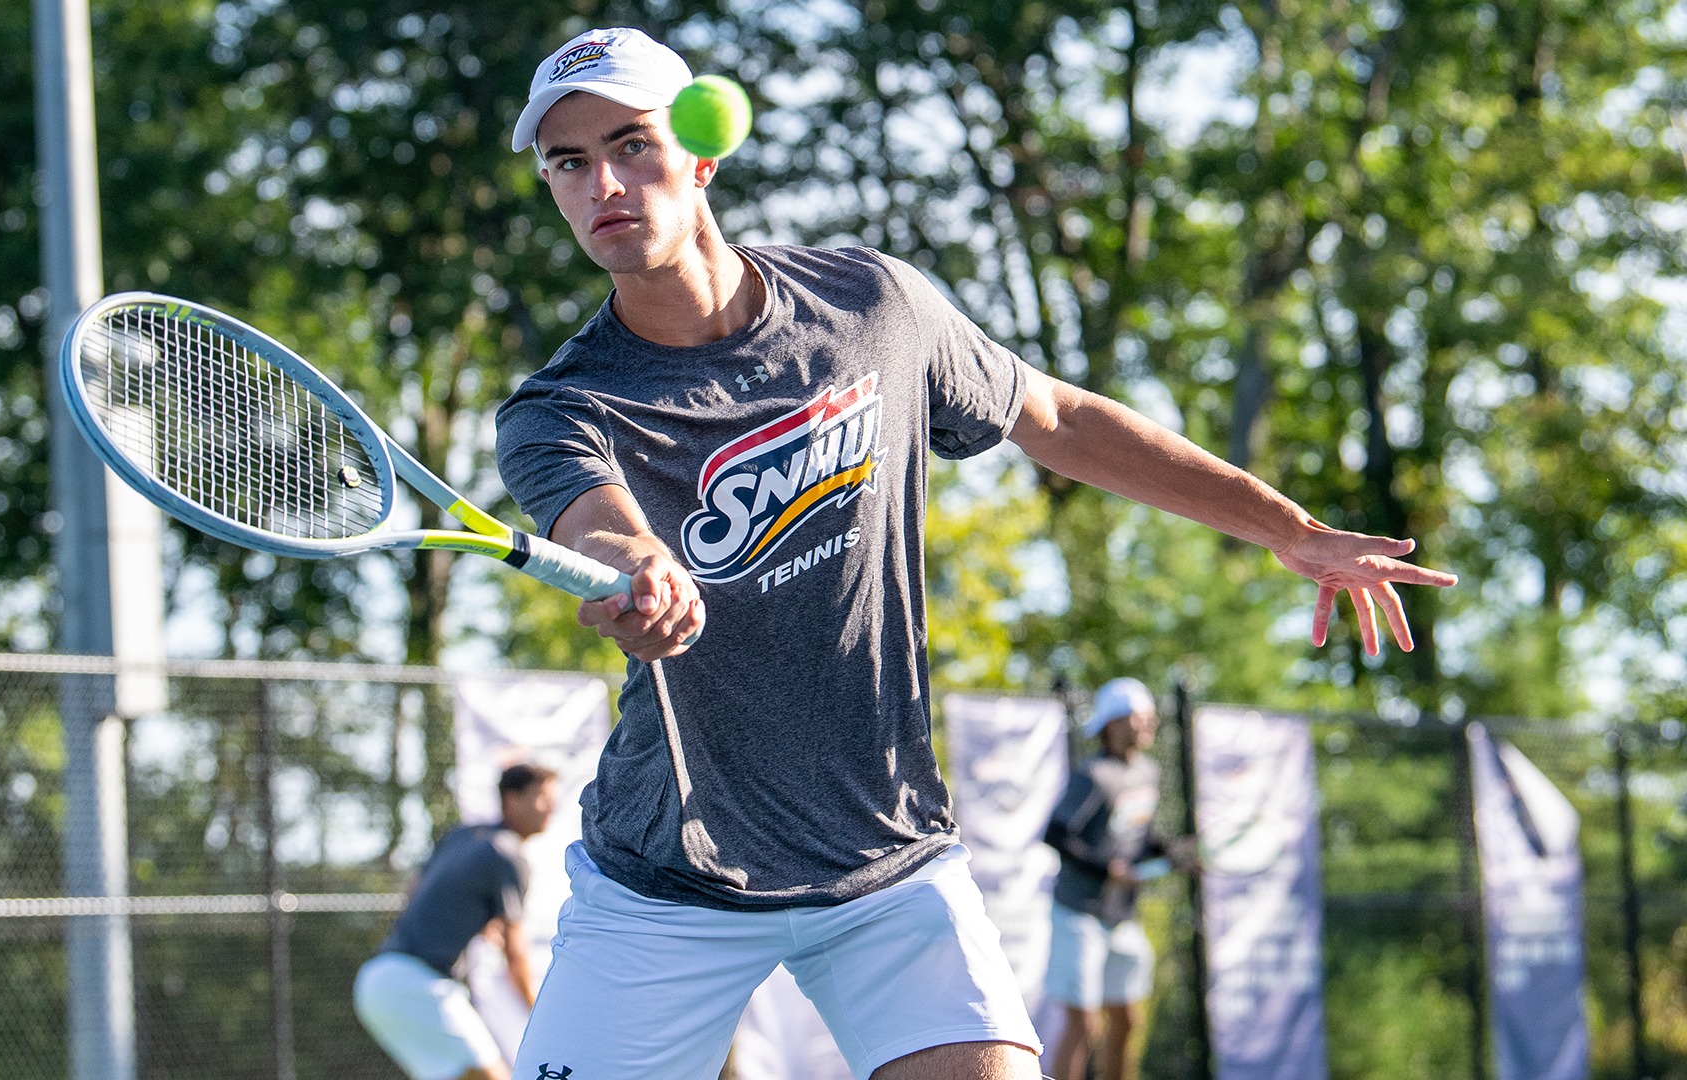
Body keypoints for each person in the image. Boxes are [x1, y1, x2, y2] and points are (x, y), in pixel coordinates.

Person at [492, 26, 1457, 1080]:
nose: (604, 185)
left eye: (630, 145)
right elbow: (599, 522)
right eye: (568, 163)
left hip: (888, 865)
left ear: (701, 152)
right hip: (666, 887)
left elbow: (1056, 416)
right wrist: (640, 566)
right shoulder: (560, 406)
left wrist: (1293, 530)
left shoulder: (873, 307)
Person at [353, 763, 559, 1080]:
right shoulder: (508, 856)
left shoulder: (462, 836)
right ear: (511, 800)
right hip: (417, 983)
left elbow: (417, 889)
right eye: (541, 797)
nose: (551, 807)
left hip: (376, 980)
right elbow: (515, 955)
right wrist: (541, 1017)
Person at [1043, 677, 1195, 1080]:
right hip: (1079, 914)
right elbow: (1056, 834)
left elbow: (1137, 837)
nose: (1149, 723)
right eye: (1139, 716)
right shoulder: (1093, 775)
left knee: (1128, 1020)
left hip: (1121, 917)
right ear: (1112, 723)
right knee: (1084, 1025)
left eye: (1150, 716)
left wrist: (1172, 853)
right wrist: (1108, 870)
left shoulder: (1148, 771)